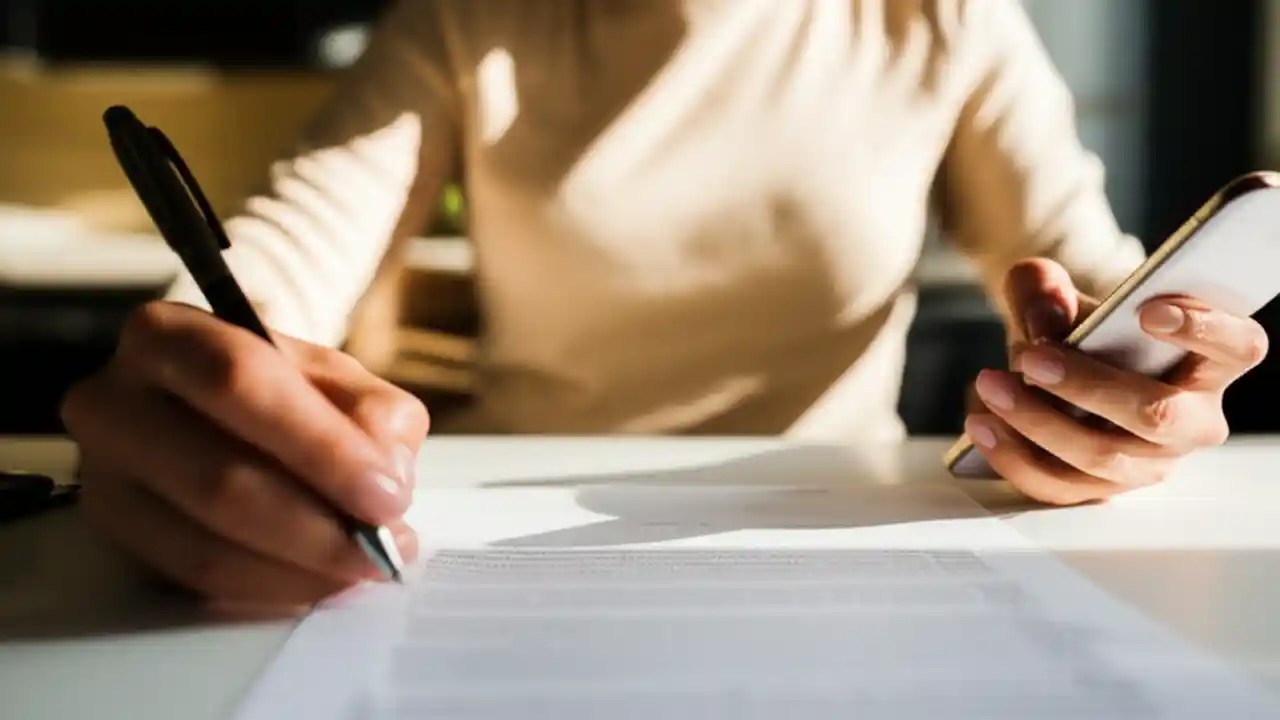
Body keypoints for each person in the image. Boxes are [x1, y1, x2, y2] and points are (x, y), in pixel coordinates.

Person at [61, 0, 1269, 605]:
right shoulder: (467, 20)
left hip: (834, 550)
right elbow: (284, 254)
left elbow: (1087, 271)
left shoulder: (934, 14)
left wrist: (1148, 383)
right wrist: (197, 377)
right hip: (501, 546)